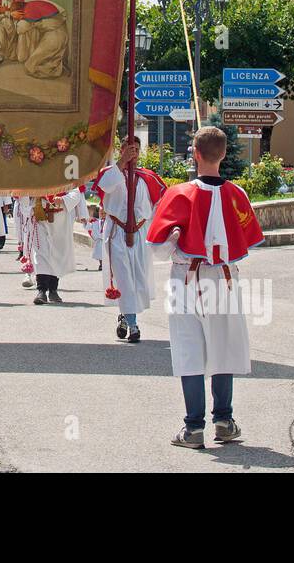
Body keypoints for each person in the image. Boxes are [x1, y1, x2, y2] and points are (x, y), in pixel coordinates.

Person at [146, 126, 264, 450]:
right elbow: (248, 242)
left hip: (187, 279)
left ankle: (193, 427)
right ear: (223, 154)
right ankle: (224, 421)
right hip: (225, 279)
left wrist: (179, 243)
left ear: (195, 154)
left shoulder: (179, 194)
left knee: (189, 348)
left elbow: (157, 249)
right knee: (222, 347)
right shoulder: (238, 195)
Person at [96, 139, 168, 342]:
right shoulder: (111, 172)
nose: (133, 153)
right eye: (129, 149)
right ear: (122, 150)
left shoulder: (147, 177)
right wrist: (121, 163)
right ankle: (133, 325)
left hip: (140, 233)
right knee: (124, 278)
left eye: (136, 149)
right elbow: (105, 186)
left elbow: (158, 206)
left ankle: (125, 317)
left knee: (138, 278)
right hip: (117, 232)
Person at [16, 189, 86, 305]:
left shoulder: (66, 171)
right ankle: (41, 290)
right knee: (40, 253)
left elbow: (76, 190)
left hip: (60, 217)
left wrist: (63, 199)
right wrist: (31, 195)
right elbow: (23, 190)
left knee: (56, 253)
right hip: (39, 214)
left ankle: (53, 289)